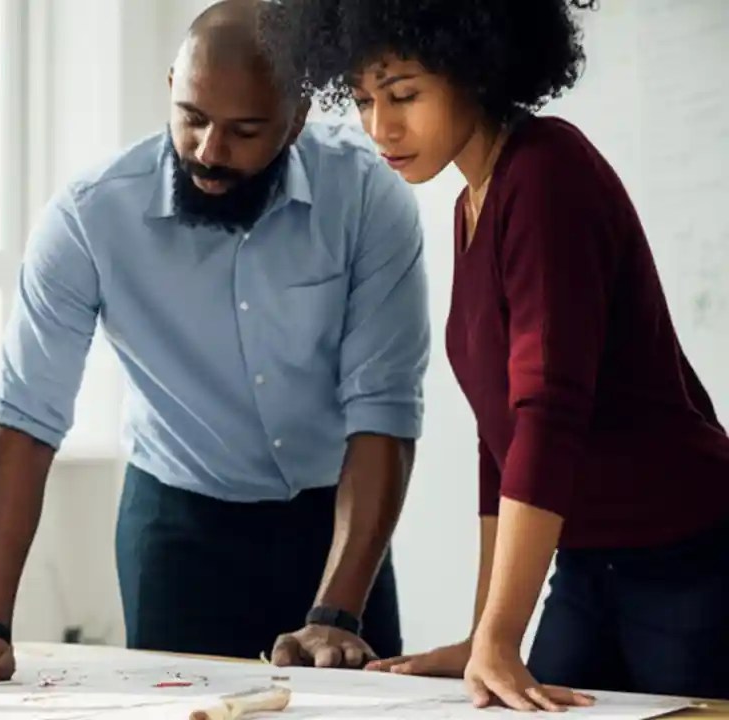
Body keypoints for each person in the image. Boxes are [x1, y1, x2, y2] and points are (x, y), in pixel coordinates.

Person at [0, 0, 430, 684]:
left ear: (296, 120)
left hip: (336, 517)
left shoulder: (366, 196)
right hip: (179, 521)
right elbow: (26, 423)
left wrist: (339, 611)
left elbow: (382, 411)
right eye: (193, 117)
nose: (209, 150)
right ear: (171, 82)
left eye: (244, 130)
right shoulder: (90, 218)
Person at [279, 0, 729, 709]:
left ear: (474, 70)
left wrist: (498, 636)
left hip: (688, 560)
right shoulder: (473, 203)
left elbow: (549, 411)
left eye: (403, 96)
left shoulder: (549, 173)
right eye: (365, 100)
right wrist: (486, 632)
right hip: (584, 565)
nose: (379, 128)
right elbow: (504, 439)